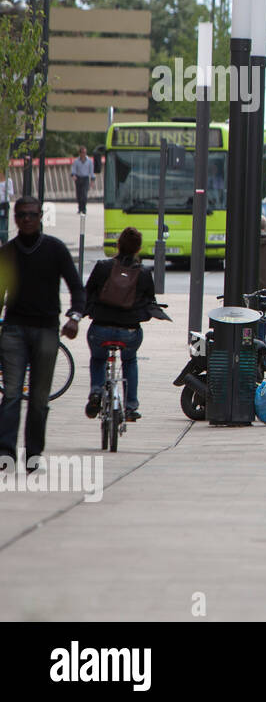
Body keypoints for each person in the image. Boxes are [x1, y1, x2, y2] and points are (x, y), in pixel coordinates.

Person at [0, 196, 85, 473]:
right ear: (15, 219)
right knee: (11, 393)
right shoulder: (8, 252)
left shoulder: (55, 249)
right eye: (21, 215)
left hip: (47, 329)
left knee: (39, 397)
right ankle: (5, 453)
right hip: (13, 329)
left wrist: (74, 317)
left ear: (40, 218)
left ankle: (33, 455)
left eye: (32, 215)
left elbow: (77, 288)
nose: (26, 219)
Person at [83, 227, 156, 423]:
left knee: (98, 358)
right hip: (129, 331)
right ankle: (131, 407)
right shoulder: (144, 273)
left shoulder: (102, 267)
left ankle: (96, 391)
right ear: (138, 249)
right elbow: (150, 301)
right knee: (130, 360)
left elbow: (88, 293)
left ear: (118, 245)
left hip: (100, 329)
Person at [70, 146, 94, 215]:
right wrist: (73, 175)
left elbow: (91, 171)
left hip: (85, 179)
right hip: (78, 178)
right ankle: (80, 208)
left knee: (84, 195)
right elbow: (73, 169)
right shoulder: (76, 161)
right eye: (83, 153)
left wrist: (92, 180)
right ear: (80, 153)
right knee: (79, 195)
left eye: (85, 153)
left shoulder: (89, 161)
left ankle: (84, 209)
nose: (84, 154)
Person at [0, 165, 14, 243]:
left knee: (3, 223)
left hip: (3, 204)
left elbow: (11, 192)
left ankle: (4, 239)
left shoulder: (8, 181)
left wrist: (4, 189)